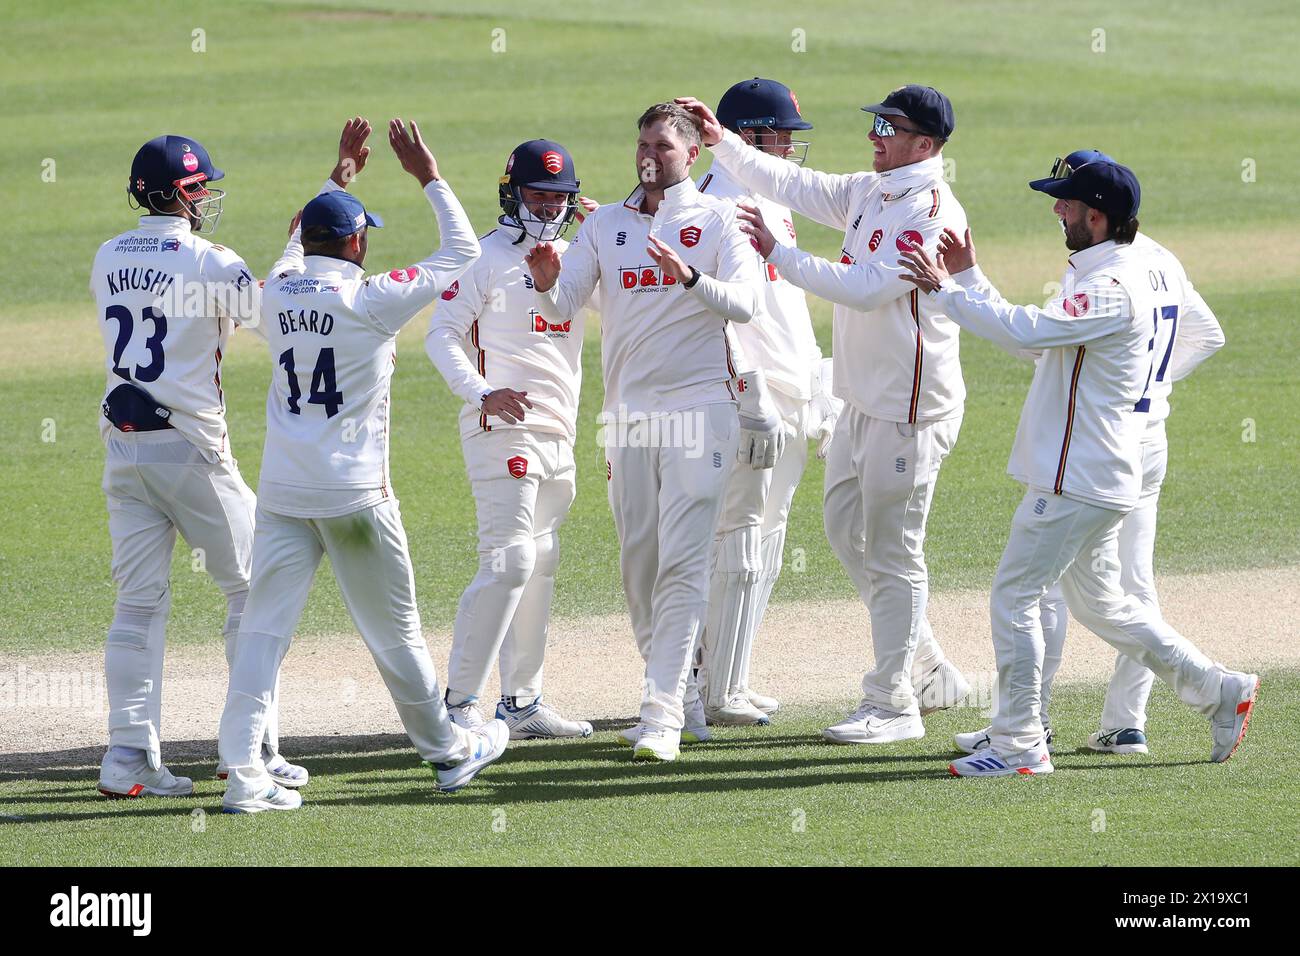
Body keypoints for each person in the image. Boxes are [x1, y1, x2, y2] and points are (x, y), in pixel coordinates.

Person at [897, 160, 1258, 776]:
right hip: (1103, 465)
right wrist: (969, 280)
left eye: (1065, 204)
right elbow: (1034, 339)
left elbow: (1027, 332)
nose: (1055, 212)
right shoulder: (1130, 264)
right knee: (1104, 604)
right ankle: (1217, 689)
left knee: (1015, 594)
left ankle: (1019, 745)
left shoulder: (1110, 286)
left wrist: (945, 291)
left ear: (1097, 215)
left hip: (1079, 473)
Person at [217, 117, 504, 812]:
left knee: (261, 633)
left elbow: (293, 245)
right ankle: (448, 752)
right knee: (395, 635)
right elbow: (463, 252)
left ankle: (242, 776)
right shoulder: (370, 299)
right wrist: (429, 177)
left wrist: (334, 178)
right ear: (354, 242)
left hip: (283, 495)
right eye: (362, 231)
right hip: (353, 497)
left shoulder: (275, 292)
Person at [676, 85, 971, 746]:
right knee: (845, 531)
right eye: (875, 124)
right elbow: (795, 181)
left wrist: (781, 256)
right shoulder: (870, 191)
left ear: (924, 145)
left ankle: (895, 700)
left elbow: (866, 290)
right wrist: (721, 140)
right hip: (860, 402)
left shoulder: (929, 211)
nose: (874, 136)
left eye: (888, 128)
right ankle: (924, 666)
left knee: (895, 553)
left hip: (908, 410)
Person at [524, 102, 774, 762]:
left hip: (703, 411)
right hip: (629, 417)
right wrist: (546, 282)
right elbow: (563, 301)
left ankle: (659, 714)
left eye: (663, 146)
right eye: (643, 143)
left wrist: (689, 278)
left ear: (691, 154)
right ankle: (682, 689)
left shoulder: (719, 220)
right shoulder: (605, 224)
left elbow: (747, 303)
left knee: (685, 563)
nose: (649, 155)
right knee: (640, 564)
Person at [91, 132, 304, 798]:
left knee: (137, 606)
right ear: (173, 194)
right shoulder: (211, 260)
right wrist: (299, 246)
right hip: (191, 449)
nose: (207, 196)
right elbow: (278, 318)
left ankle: (127, 757)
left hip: (124, 448)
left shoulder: (106, 256)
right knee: (257, 592)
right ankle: (252, 752)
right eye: (198, 187)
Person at [425, 139, 594, 740]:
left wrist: (609, 225)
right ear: (510, 192)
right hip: (501, 428)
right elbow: (439, 334)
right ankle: (456, 705)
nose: (548, 208)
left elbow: (641, 297)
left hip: (558, 430)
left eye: (559, 198)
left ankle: (521, 702)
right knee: (509, 561)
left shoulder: (577, 257)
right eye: (537, 195)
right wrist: (480, 392)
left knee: (539, 564)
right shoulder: (486, 258)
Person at [689, 78, 841, 727]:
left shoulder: (768, 202)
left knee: (765, 546)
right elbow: (713, 315)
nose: (787, 149)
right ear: (746, 138)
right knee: (739, 544)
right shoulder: (717, 207)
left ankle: (732, 680)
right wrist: (750, 393)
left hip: (791, 392)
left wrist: (819, 382)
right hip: (752, 401)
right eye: (779, 137)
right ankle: (712, 689)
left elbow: (783, 308)